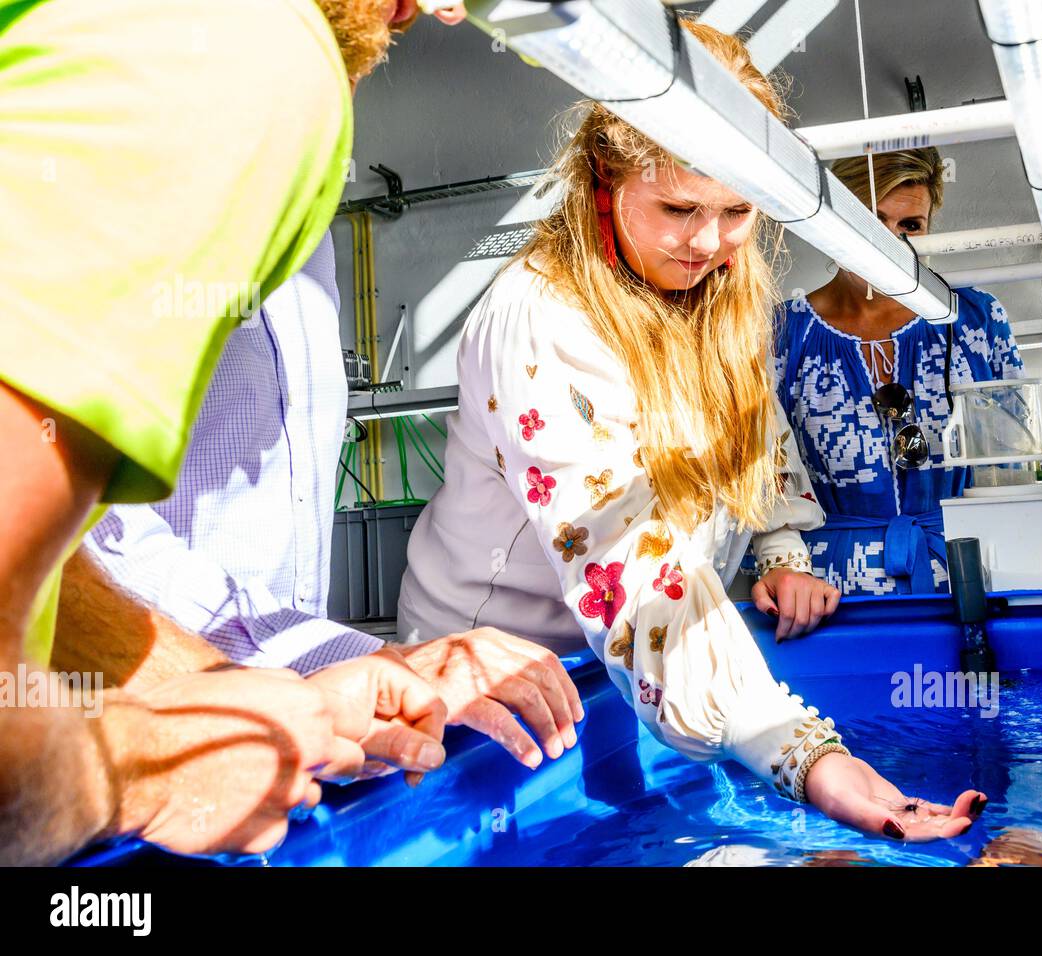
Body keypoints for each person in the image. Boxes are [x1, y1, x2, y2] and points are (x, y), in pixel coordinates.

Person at [398, 18, 985, 840]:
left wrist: (779, 551)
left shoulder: (719, 285)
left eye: (737, 210)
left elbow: (756, 430)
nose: (708, 242)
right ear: (604, 179)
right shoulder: (543, 320)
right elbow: (633, 577)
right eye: (677, 207)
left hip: (642, 664)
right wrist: (815, 759)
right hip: (500, 668)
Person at [0, 0, 466, 866]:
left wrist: (234, 693)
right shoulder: (240, 50)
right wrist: (146, 768)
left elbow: (48, 574)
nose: (448, 11)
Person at [773, 148, 1024, 596]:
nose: (889, 242)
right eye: (870, 220)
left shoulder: (974, 319)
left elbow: (1010, 462)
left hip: (961, 574)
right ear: (831, 220)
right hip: (823, 591)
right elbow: (761, 475)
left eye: (910, 226)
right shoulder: (782, 333)